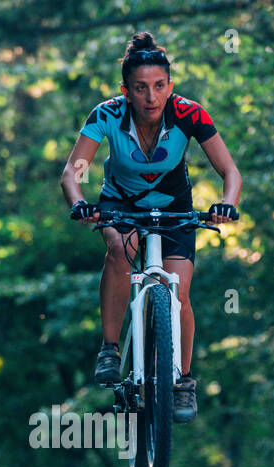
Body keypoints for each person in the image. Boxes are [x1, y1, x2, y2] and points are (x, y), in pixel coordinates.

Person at [59, 31, 242, 423]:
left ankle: (184, 381)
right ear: (125, 90)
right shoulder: (105, 115)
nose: (151, 97)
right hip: (120, 202)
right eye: (140, 88)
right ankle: (110, 348)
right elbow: (72, 175)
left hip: (174, 207)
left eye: (160, 87)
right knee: (118, 247)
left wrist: (227, 204)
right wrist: (79, 204)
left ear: (170, 86)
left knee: (180, 292)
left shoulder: (190, 113)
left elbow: (230, 171)